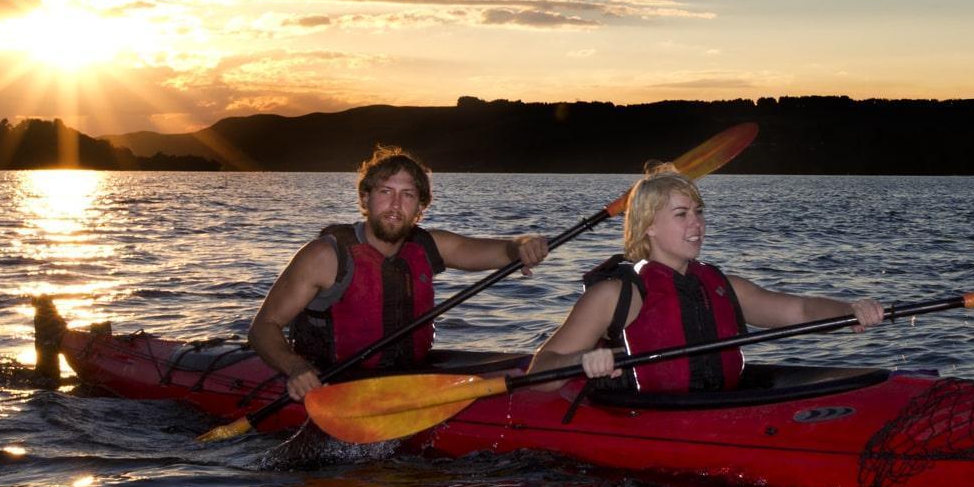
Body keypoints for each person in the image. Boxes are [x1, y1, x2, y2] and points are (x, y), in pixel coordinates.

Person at [529, 165, 884, 391]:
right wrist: (581, 361)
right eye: (682, 214)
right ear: (649, 226)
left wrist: (848, 311)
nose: (697, 224)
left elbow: (801, 311)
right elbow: (539, 370)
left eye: (698, 212)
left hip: (717, 412)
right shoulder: (615, 295)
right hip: (642, 422)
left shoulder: (724, 286)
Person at [248, 145, 549, 400]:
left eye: (407, 195)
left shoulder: (429, 246)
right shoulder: (325, 256)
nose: (395, 205)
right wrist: (296, 368)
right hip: (331, 382)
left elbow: (500, 251)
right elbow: (263, 327)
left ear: (420, 207)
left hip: (405, 379)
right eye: (385, 192)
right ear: (365, 199)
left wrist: (521, 246)